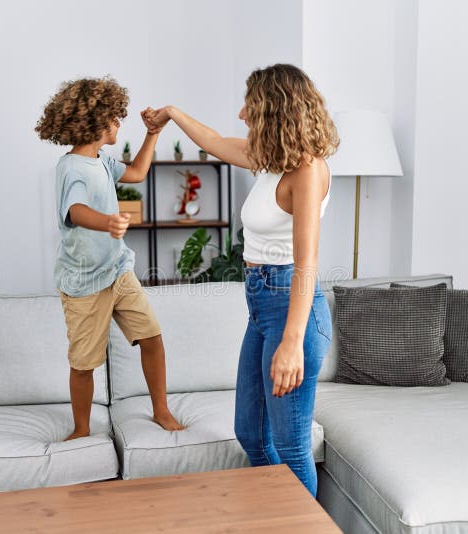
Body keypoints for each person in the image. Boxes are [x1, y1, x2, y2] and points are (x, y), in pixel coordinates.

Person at [143, 64, 337, 495]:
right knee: (250, 434)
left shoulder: (307, 171)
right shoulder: (271, 160)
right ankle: (276, 514)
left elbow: (307, 263)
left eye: (249, 104)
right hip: (262, 306)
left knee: (290, 445)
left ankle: (298, 526)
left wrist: (291, 342)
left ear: (273, 108)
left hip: (292, 308)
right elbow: (213, 141)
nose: (241, 113)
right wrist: (172, 113)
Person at [35, 76, 185, 441]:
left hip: (118, 271)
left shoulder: (101, 159)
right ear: (95, 122)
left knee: (152, 337)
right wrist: (108, 222)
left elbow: (136, 173)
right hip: (84, 280)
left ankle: (161, 410)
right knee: (84, 363)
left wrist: (152, 134)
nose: (120, 123)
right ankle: (82, 429)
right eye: (115, 118)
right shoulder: (71, 167)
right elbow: (75, 211)